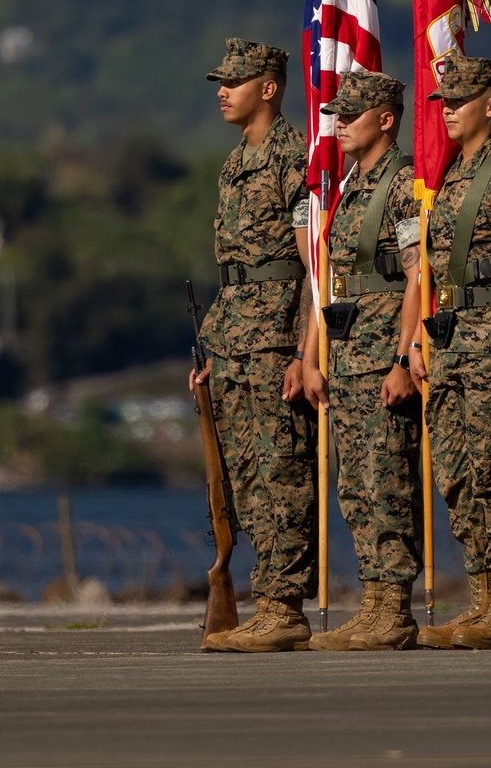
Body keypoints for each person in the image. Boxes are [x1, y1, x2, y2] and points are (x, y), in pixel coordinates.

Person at [408, 55, 491, 650]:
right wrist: (416, 340)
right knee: (457, 472)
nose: (448, 112)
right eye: (443, 103)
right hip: (452, 335)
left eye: (458, 102)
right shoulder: (451, 178)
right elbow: (427, 269)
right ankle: (482, 597)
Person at [190, 37, 318, 653]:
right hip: (234, 337)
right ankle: (264, 597)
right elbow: (234, 266)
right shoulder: (237, 159)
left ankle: (283, 604)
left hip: (274, 342)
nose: (222, 91)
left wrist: (303, 351)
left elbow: (314, 268)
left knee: (282, 470)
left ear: (268, 88)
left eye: (234, 81)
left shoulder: (294, 159)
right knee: (243, 474)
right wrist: (211, 350)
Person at [302, 70, 424, 651]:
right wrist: (316, 354)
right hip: (349, 355)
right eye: (337, 114)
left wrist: (405, 356)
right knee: (357, 485)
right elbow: (329, 277)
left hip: (381, 358)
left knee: (388, 480)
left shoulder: (400, 184)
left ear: (386, 119)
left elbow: (416, 276)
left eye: (351, 113)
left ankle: (394, 608)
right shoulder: (350, 185)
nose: (339, 123)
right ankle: (374, 602)